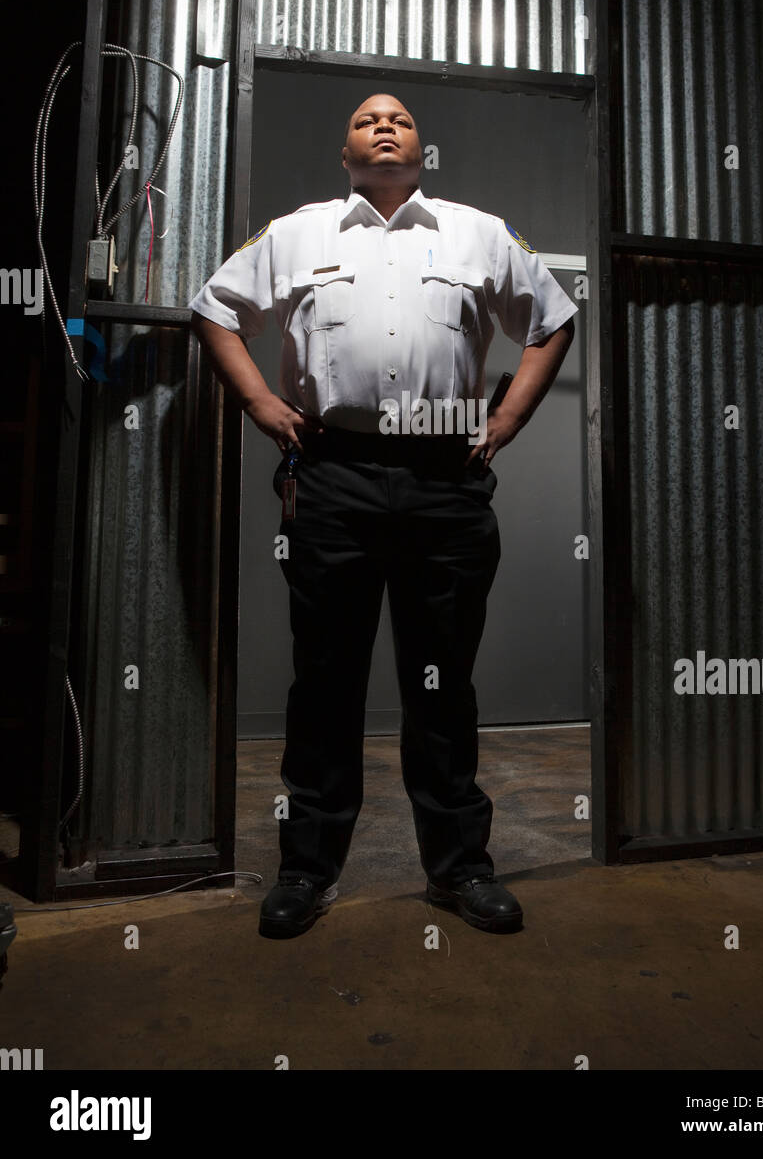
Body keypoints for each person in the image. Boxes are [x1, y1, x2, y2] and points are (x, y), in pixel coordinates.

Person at [189, 93, 576, 939]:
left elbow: (552, 320)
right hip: (334, 475)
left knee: (443, 679)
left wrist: (507, 419)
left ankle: (460, 869)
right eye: (366, 119)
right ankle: (307, 870)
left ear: (421, 144)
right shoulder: (301, 233)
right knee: (324, 681)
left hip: (446, 476)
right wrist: (259, 402)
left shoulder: (476, 230)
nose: (384, 125)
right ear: (346, 148)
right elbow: (215, 309)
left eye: (398, 116)